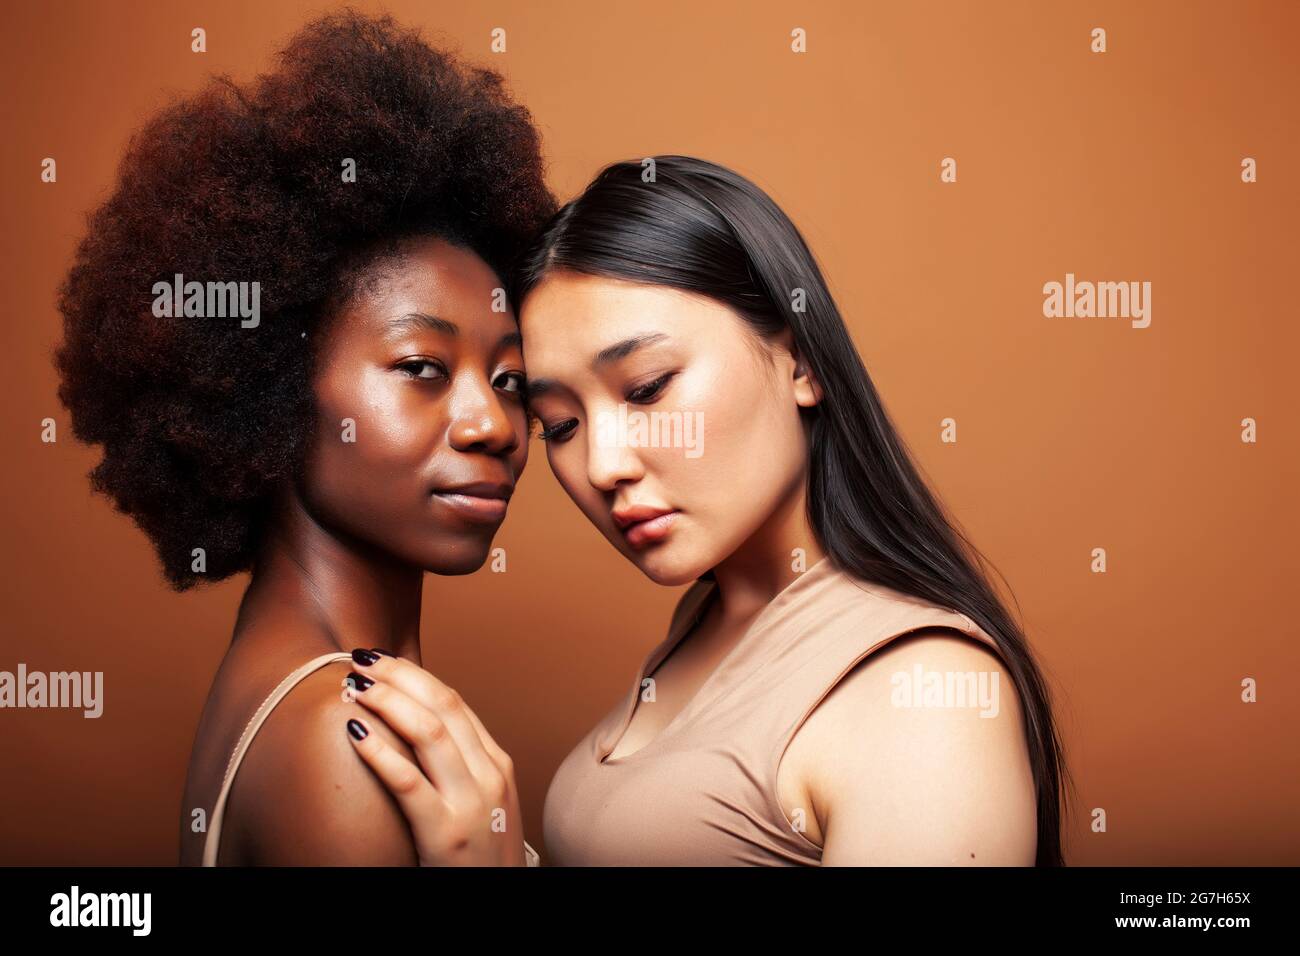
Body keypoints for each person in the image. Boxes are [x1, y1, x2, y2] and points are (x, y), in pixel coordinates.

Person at [344, 156, 1072, 865]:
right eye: (560, 426)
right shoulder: (711, 616)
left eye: (648, 387)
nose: (602, 466)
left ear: (800, 362)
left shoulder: (923, 697)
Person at [53, 11, 555, 865]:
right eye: (422, 366)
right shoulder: (346, 744)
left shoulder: (316, 691)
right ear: (274, 388)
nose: (492, 425)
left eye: (510, 380)